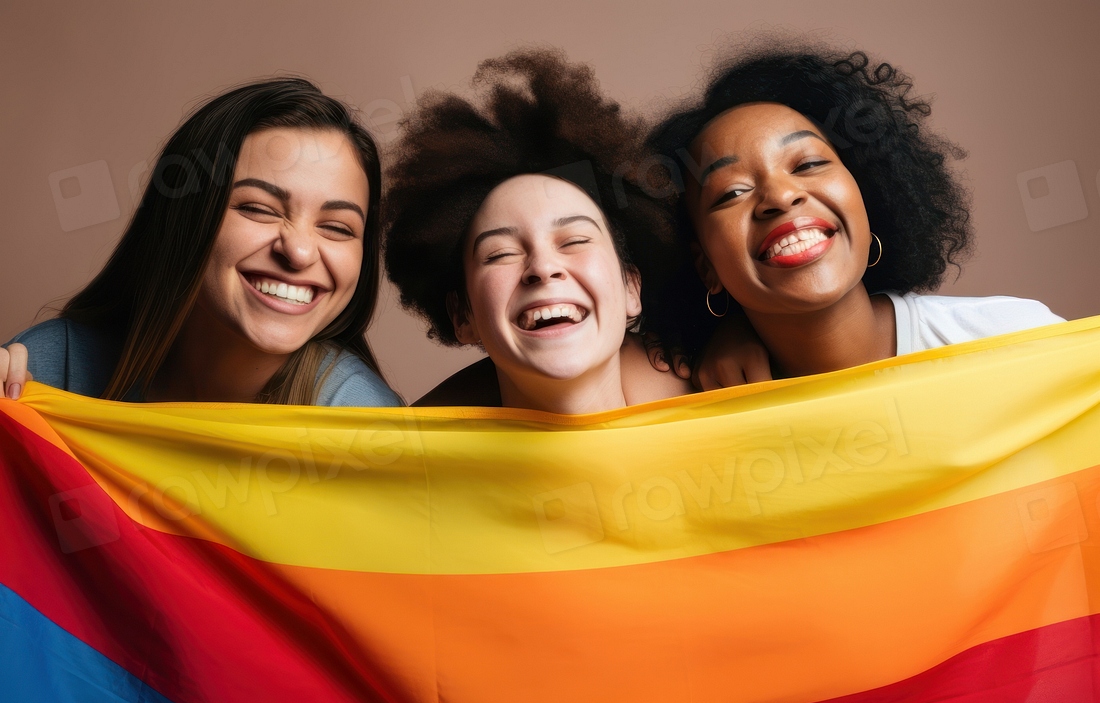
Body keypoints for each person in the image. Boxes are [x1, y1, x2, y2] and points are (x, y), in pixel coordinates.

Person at [646, 43, 1063, 382]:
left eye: (808, 164)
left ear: (865, 197)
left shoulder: (1017, 338)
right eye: (733, 191)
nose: (781, 196)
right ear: (706, 267)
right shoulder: (698, 408)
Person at [1, 79, 401, 406]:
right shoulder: (50, 369)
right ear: (185, 219)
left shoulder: (361, 419)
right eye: (258, 209)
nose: (298, 252)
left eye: (338, 228)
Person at [384, 50, 701, 413]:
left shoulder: (728, 404)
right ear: (462, 316)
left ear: (631, 287)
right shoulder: (405, 446)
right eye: (501, 253)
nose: (542, 268)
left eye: (575, 241)